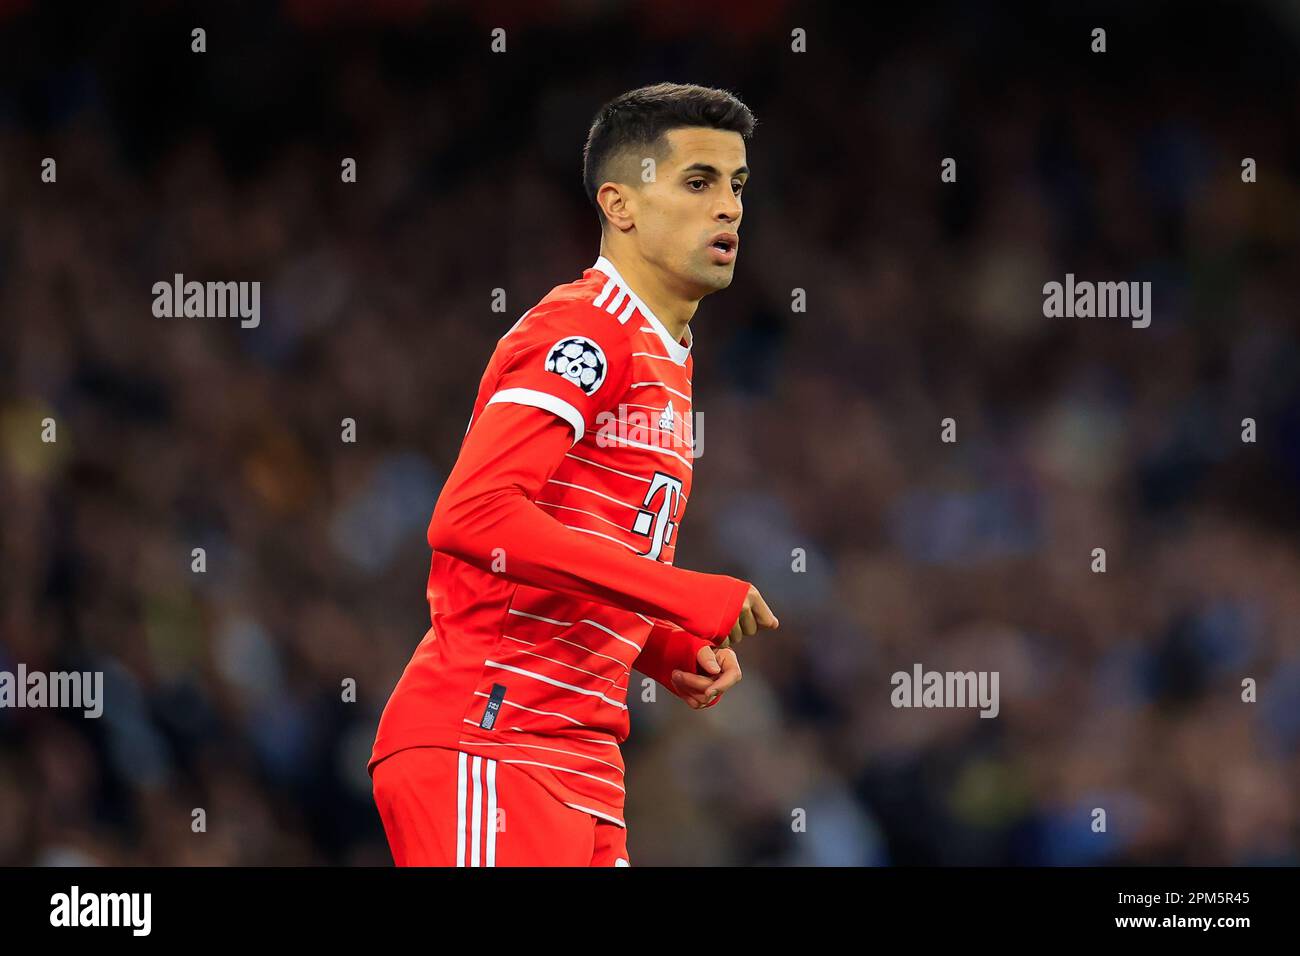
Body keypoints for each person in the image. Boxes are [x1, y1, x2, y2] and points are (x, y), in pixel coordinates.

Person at [370, 82, 778, 866]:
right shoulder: (588, 328)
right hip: (490, 737)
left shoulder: (669, 358)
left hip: (582, 762)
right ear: (619, 205)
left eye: (737, 184)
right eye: (698, 182)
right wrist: (677, 592)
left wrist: (658, 645)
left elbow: (574, 544)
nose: (727, 206)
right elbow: (473, 516)